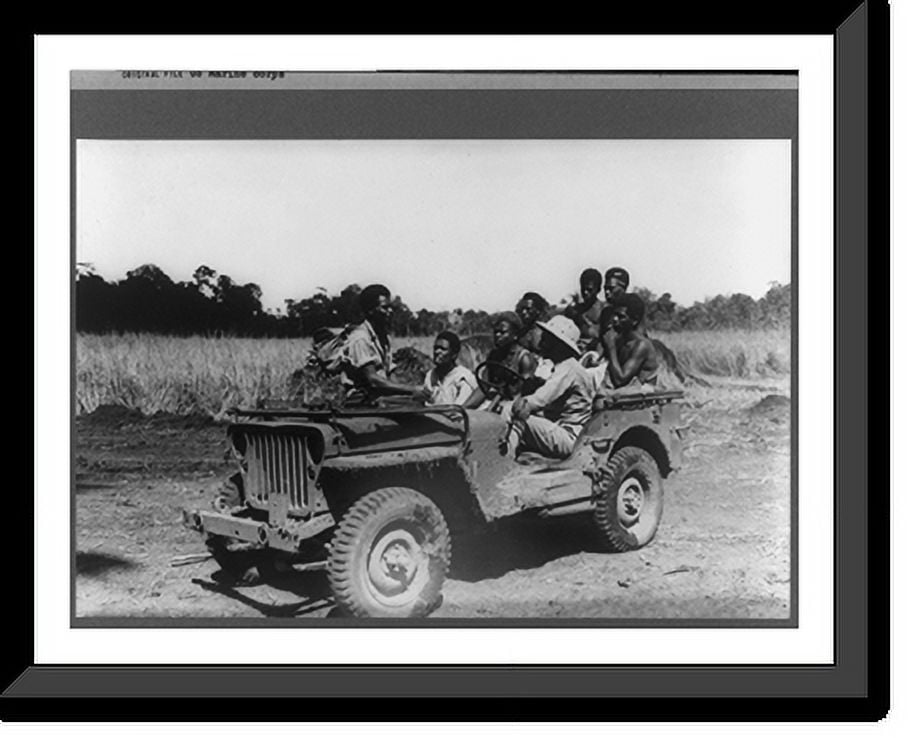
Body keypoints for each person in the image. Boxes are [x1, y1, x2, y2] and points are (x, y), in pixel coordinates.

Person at [500, 315, 595, 460]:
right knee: (510, 408)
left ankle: (503, 461)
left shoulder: (569, 368)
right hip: (560, 428)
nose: (541, 343)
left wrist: (525, 402)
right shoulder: (563, 367)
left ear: (558, 345)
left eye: (547, 339)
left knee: (514, 411)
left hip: (569, 436)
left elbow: (541, 399)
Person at [334, 283, 423, 402]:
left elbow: (390, 375)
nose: (390, 311)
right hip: (362, 399)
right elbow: (373, 381)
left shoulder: (383, 337)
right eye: (385, 308)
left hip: (379, 395)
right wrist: (413, 389)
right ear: (370, 311)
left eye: (390, 307)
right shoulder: (360, 339)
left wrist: (409, 391)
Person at [463, 311, 538, 409]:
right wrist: (463, 407)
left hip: (513, 406)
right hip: (493, 402)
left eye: (503, 332)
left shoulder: (524, 359)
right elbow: (483, 388)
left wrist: (493, 407)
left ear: (515, 335)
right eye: (496, 332)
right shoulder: (494, 356)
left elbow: (524, 393)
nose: (498, 335)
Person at [600, 292, 661, 391]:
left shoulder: (641, 345)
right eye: (615, 314)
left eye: (621, 316)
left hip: (640, 396)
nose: (615, 319)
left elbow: (620, 380)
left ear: (634, 321)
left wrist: (611, 347)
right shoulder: (621, 340)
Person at [420, 331, 478, 406]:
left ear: (454, 355)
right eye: (436, 348)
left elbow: (458, 411)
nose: (437, 351)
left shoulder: (463, 378)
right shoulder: (430, 375)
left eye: (443, 349)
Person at [562, 268, 606, 353]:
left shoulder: (604, 310)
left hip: (595, 354)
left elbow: (601, 337)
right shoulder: (575, 310)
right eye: (583, 289)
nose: (585, 293)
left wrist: (581, 320)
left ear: (598, 290)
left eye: (589, 290)